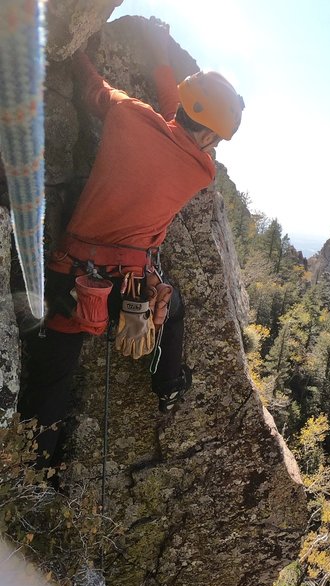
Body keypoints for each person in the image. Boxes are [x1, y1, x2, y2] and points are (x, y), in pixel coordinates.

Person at [18, 22, 244, 468]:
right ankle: (169, 384)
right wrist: (162, 61)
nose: (213, 146)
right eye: (214, 138)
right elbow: (177, 123)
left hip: (73, 282)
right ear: (207, 138)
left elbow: (98, 91)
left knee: (53, 378)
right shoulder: (201, 170)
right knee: (174, 308)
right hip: (131, 292)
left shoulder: (127, 114)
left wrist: (77, 53)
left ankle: (32, 469)